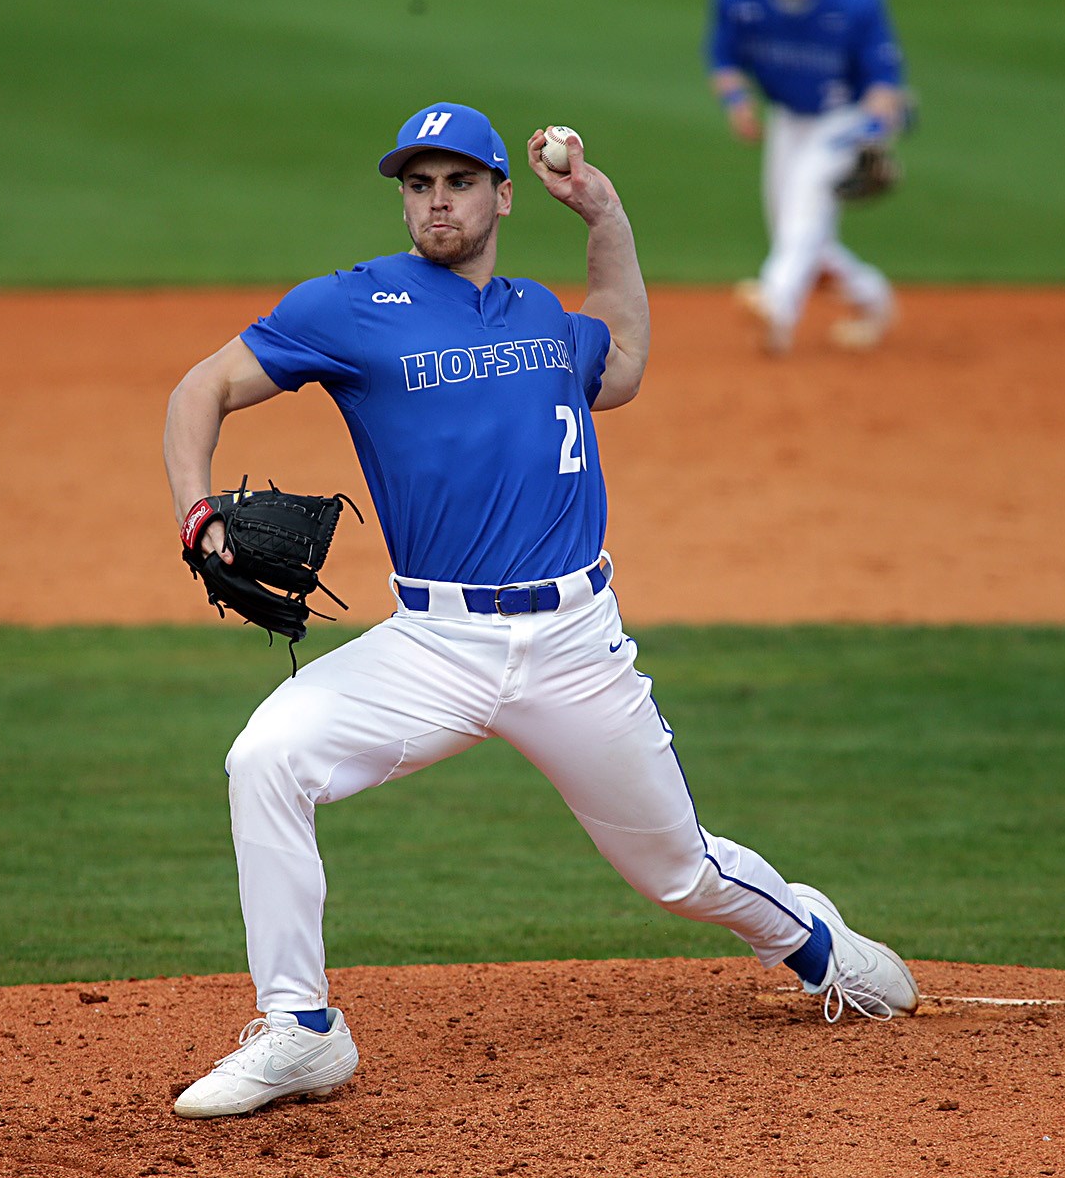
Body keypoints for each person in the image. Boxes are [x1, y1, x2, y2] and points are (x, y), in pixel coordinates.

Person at [161, 101, 919, 1119]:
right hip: (433, 643)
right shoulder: (350, 308)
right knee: (264, 759)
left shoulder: (542, 319)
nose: (437, 201)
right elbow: (200, 387)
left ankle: (818, 946)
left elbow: (627, 362)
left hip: (573, 647)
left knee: (679, 874)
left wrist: (605, 214)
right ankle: (300, 1029)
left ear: (502, 195)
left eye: (459, 182)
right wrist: (197, 510)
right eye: (419, 185)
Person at [706, 0, 908, 352]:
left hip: (845, 119)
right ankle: (874, 299)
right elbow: (724, 58)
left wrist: (876, 132)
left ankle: (776, 303)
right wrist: (737, 101)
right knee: (797, 231)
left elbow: (885, 81)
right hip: (788, 119)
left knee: (805, 202)